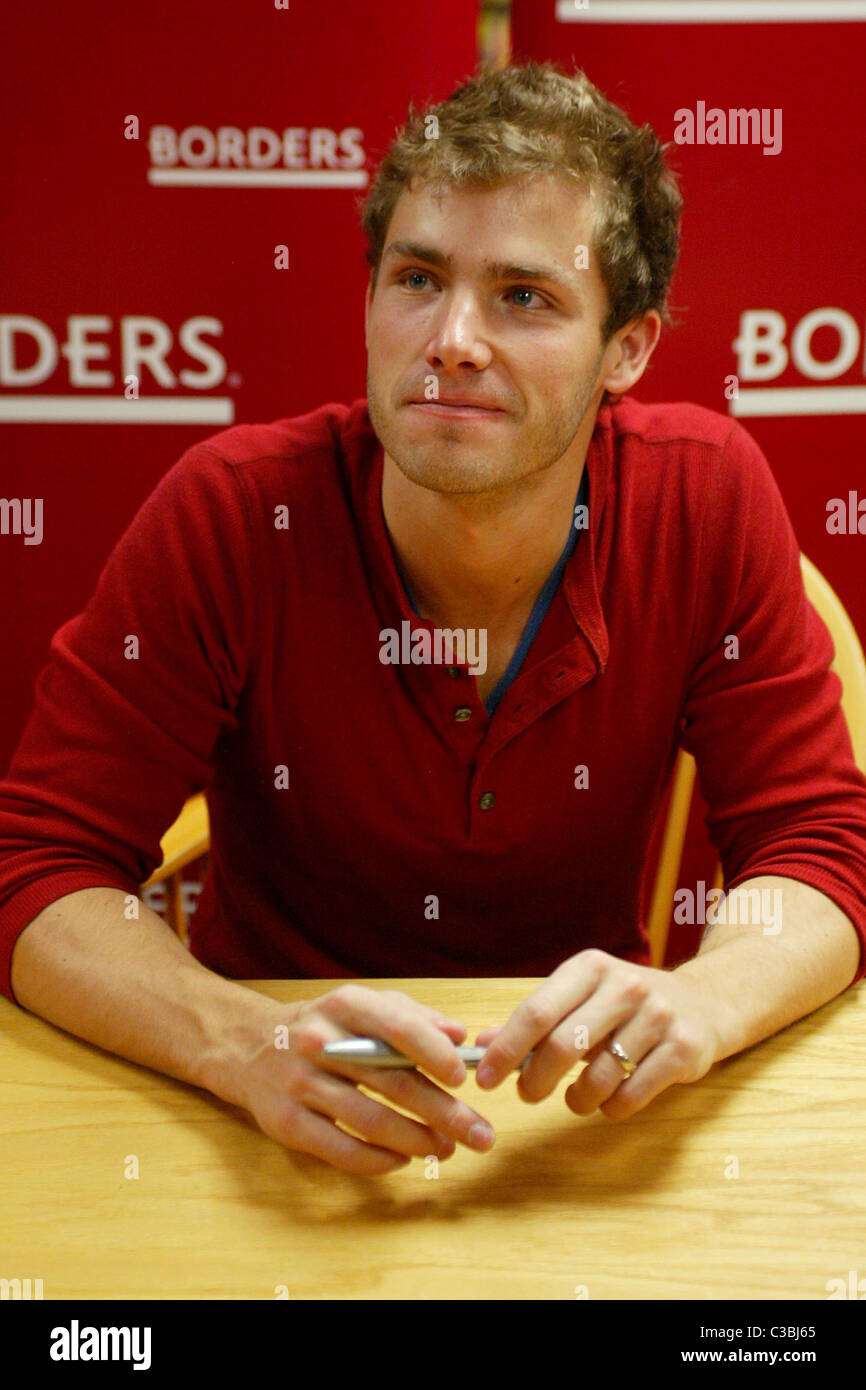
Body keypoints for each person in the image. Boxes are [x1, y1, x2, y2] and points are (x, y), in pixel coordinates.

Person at [2, 61, 865, 1176]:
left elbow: (817, 848)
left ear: (629, 349)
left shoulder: (704, 495)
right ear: (369, 299)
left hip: (575, 1118)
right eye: (417, 278)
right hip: (266, 1100)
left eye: (523, 296)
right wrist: (236, 1040)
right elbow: (39, 865)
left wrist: (702, 1000)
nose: (451, 337)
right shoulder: (232, 510)